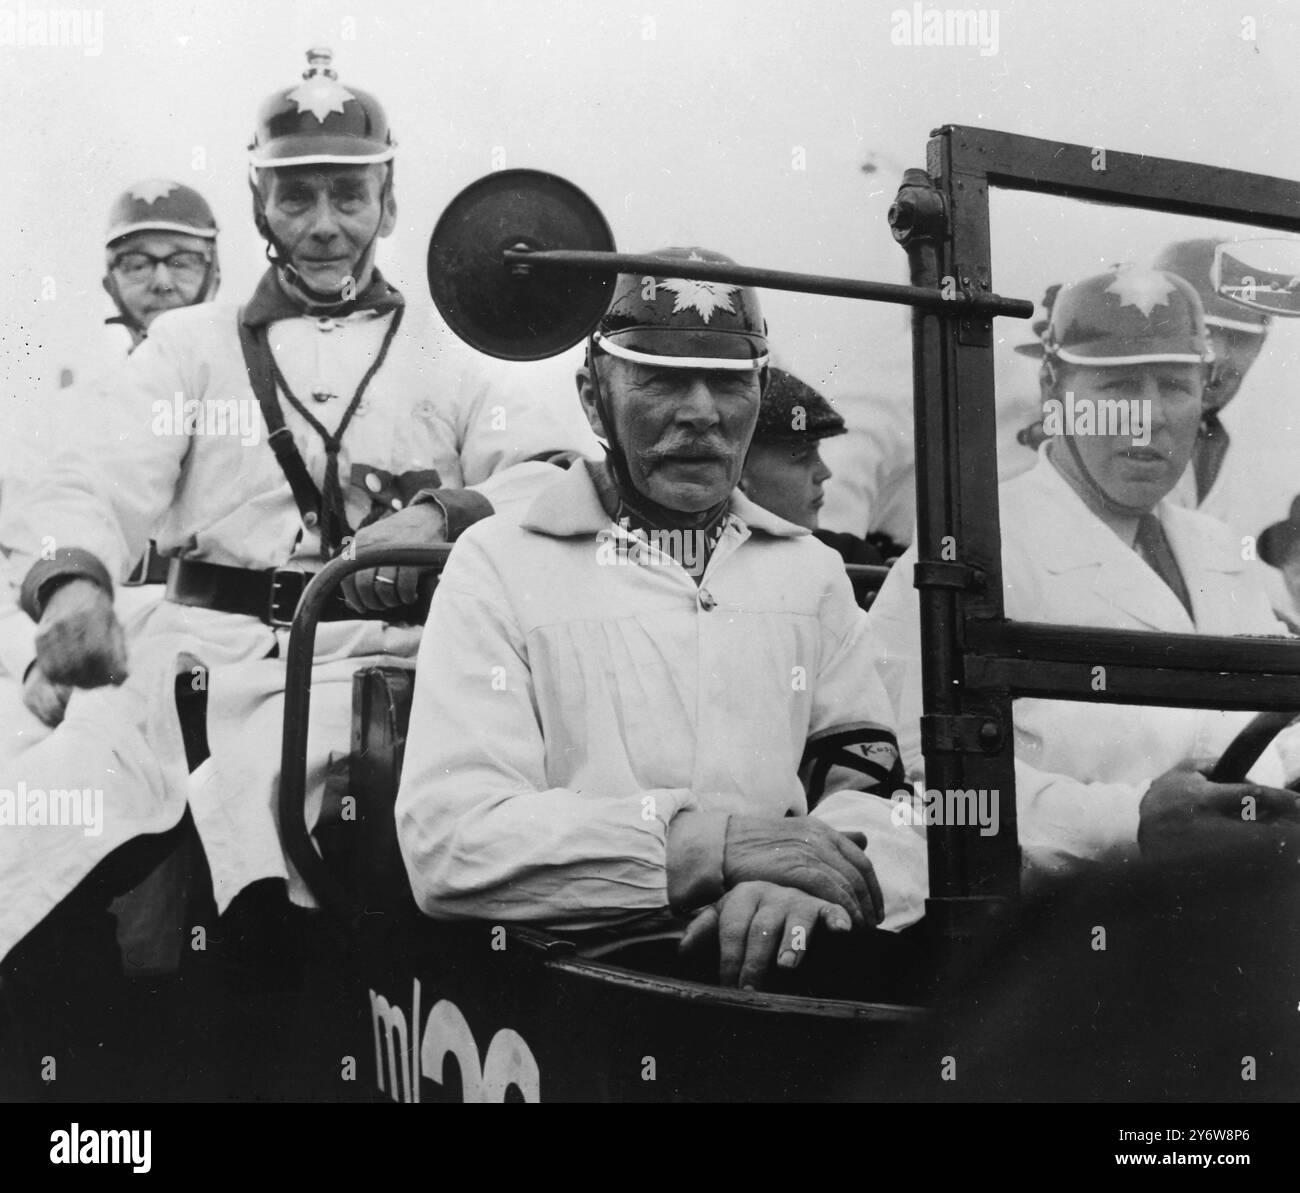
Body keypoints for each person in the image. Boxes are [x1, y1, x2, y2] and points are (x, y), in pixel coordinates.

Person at [0, 47, 587, 1049]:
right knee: (34, 845)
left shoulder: (448, 346)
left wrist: (450, 511)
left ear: (390, 203)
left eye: (348, 194)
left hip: (380, 664)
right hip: (197, 655)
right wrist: (70, 585)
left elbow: (554, 471)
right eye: (297, 195)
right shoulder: (190, 342)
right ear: (260, 203)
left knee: (311, 908)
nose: (324, 224)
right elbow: (91, 475)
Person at [394, 248, 928, 992]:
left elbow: (878, 794)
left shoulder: (811, 574)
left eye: (730, 382)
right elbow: (450, 843)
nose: (701, 412)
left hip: (791, 976)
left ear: (762, 389)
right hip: (567, 996)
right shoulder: (498, 565)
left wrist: (806, 885)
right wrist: (712, 848)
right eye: (662, 378)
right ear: (592, 397)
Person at [869, 266, 1299, 879]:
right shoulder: (975, 551)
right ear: (1053, 388)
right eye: (1119, 386)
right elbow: (920, 778)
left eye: (1175, 385)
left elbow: (1282, 718)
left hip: (1239, 892)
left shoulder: (1218, 548)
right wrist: (1128, 823)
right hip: (1055, 924)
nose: (1148, 417)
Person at [1151, 238, 1271, 511]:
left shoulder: (1250, 461)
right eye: (1198, 329)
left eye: (1239, 337)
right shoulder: (1074, 434)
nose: (1216, 354)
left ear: (1262, 345)